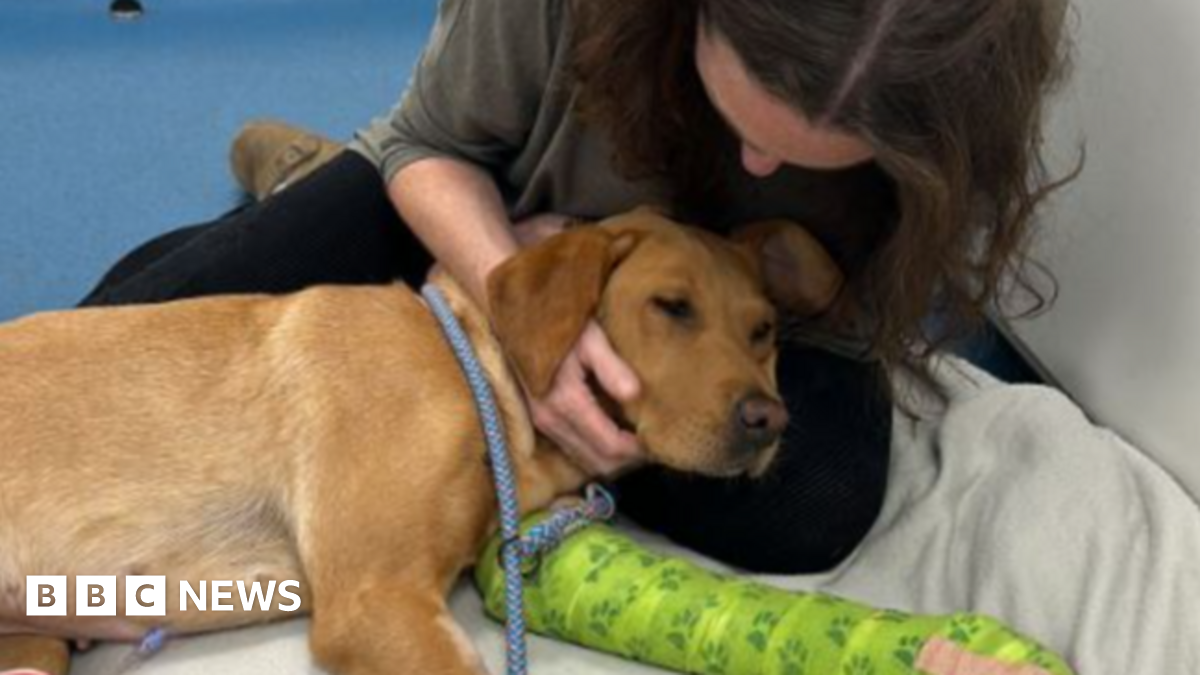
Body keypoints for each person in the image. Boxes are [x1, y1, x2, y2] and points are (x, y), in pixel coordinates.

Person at [79, 0, 1070, 574]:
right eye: (745, 122)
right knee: (120, 339)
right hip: (496, 208)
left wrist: (688, 355)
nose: (759, 172)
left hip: (708, 301)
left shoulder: (950, 92)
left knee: (812, 509)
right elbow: (433, 142)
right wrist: (514, 288)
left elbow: (839, 328)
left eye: (810, 154)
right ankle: (306, 182)